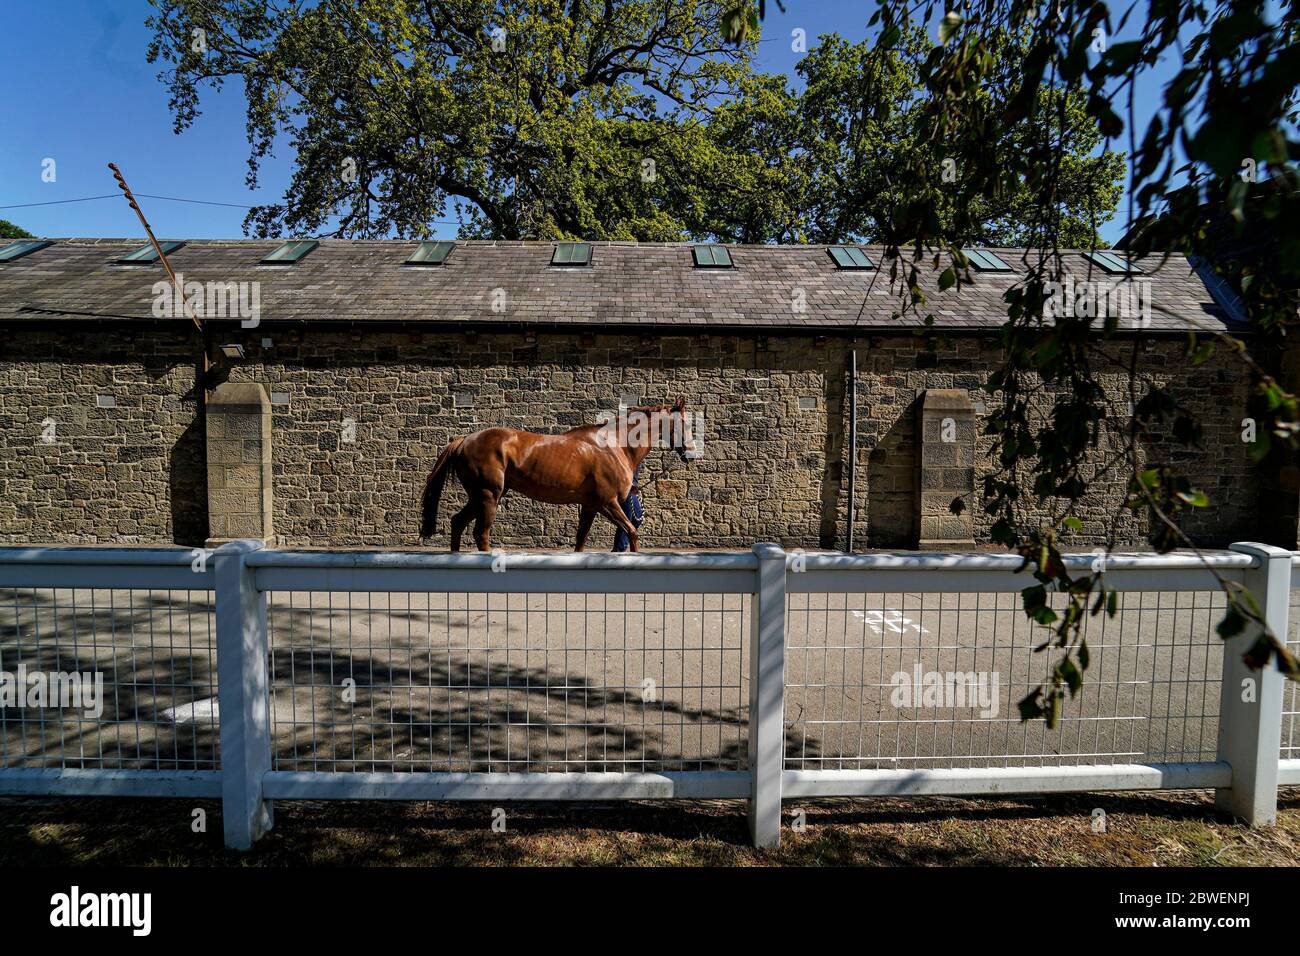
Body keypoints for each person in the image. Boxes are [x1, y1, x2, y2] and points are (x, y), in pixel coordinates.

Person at [612, 465, 644, 552]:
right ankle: (619, 550)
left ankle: (618, 549)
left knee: (637, 518)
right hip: (625, 489)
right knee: (627, 520)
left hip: (631, 489)